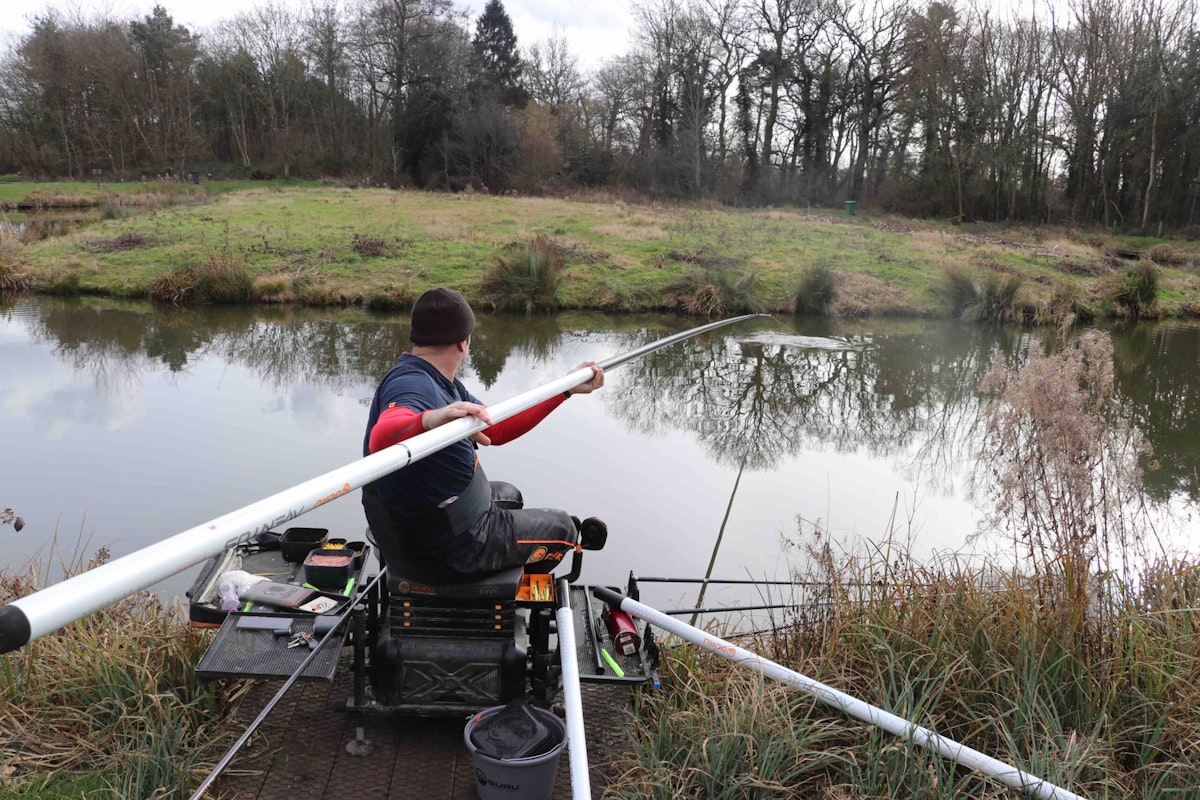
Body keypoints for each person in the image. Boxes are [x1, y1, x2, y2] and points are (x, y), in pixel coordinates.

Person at [362, 287, 606, 583]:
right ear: (463, 342)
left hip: (421, 530)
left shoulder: (437, 380)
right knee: (563, 529)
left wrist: (565, 389)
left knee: (510, 495)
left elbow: (496, 428)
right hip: (446, 551)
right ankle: (494, 597)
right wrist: (430, 420)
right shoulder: (413, 384)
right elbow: (382, 438)